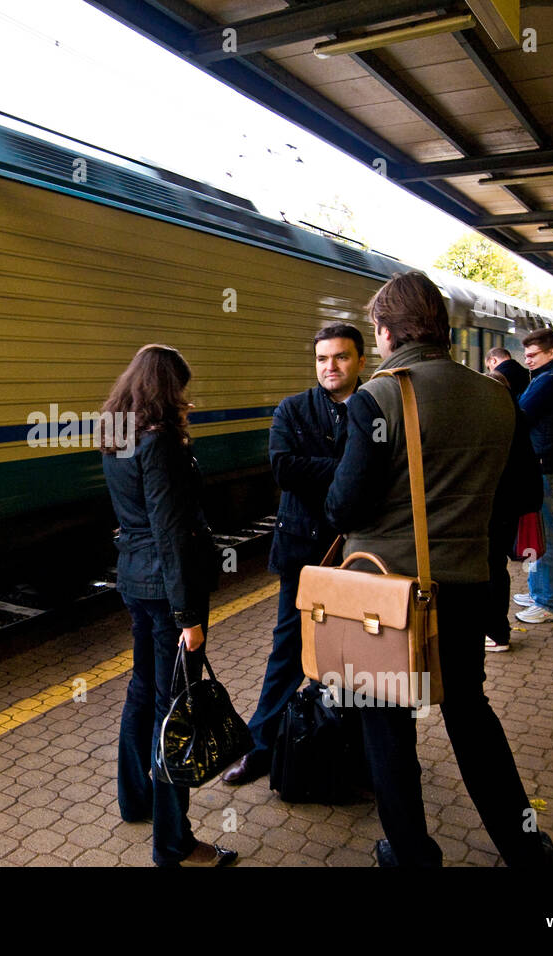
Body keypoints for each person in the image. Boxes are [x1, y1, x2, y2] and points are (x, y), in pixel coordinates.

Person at [325, 271, 553, 867]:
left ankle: (410, 852)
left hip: (390, 593)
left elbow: (344, 506)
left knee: (386, 719)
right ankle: (524, 845)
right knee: (469, 710)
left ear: (387, 331)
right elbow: (525, 491)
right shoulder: (496, 395)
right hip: (467, 585)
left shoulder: (379, 396)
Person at [99, 344, 236, 867]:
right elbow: (171, 529)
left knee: (143, 690)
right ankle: (174, 845)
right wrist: (189, 618)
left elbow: (132, 517)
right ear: (168, 388)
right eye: (180, 389)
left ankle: (136, 800)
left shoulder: (116, 434)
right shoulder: (159, 444)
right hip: (165, 590)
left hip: (135, 580)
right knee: (171, 710)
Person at [222, 323, 364, 785]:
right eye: (322, 359)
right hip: (304, 551)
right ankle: (260, 746)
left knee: (357, 652)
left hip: (359, 552)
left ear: (361, 361)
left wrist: (323, 469)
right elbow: (284, 468)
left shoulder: (376, 409)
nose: (330, 367)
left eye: (340, 357)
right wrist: (350, 467)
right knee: (289, 647)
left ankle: (358, 750)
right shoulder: (293, 408)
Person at [514, 328, 553, 624]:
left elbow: (521, 413)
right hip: (548, 461)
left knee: (542, 534)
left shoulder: (552, 380)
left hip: (544, 463)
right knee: (538, 531)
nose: (527, 360)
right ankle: (538, 590)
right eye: (525, 355)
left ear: (551, 353)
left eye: (532, 355)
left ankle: (548, 601)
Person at [484, 371, 541, 653]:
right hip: (510, 505)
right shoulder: (515, 416)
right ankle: (496, 630)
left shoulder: (497, 421)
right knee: (496, 567)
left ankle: (495, 632)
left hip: (496, 505)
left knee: (491, 567)